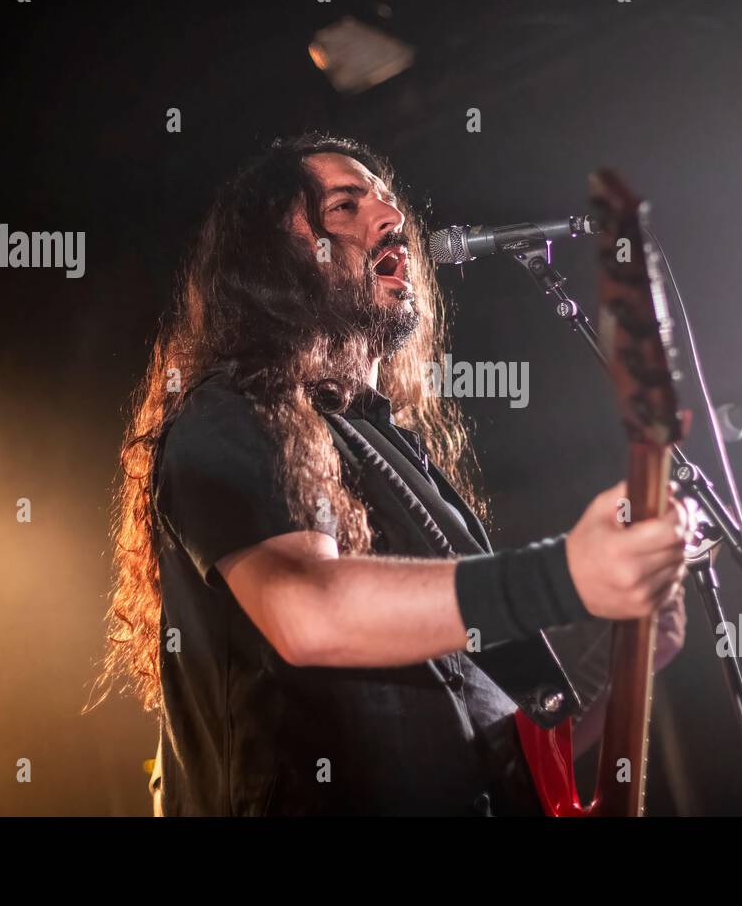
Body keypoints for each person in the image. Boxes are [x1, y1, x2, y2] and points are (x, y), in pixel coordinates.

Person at [97, 133, 707, 815]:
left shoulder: (399, 456)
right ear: (272, 259)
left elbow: (509, 748)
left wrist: (636, 648)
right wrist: (566, 576)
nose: (391, 219)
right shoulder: (230, 410)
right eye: (345, 205)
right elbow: (308, 612)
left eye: (388, 201)